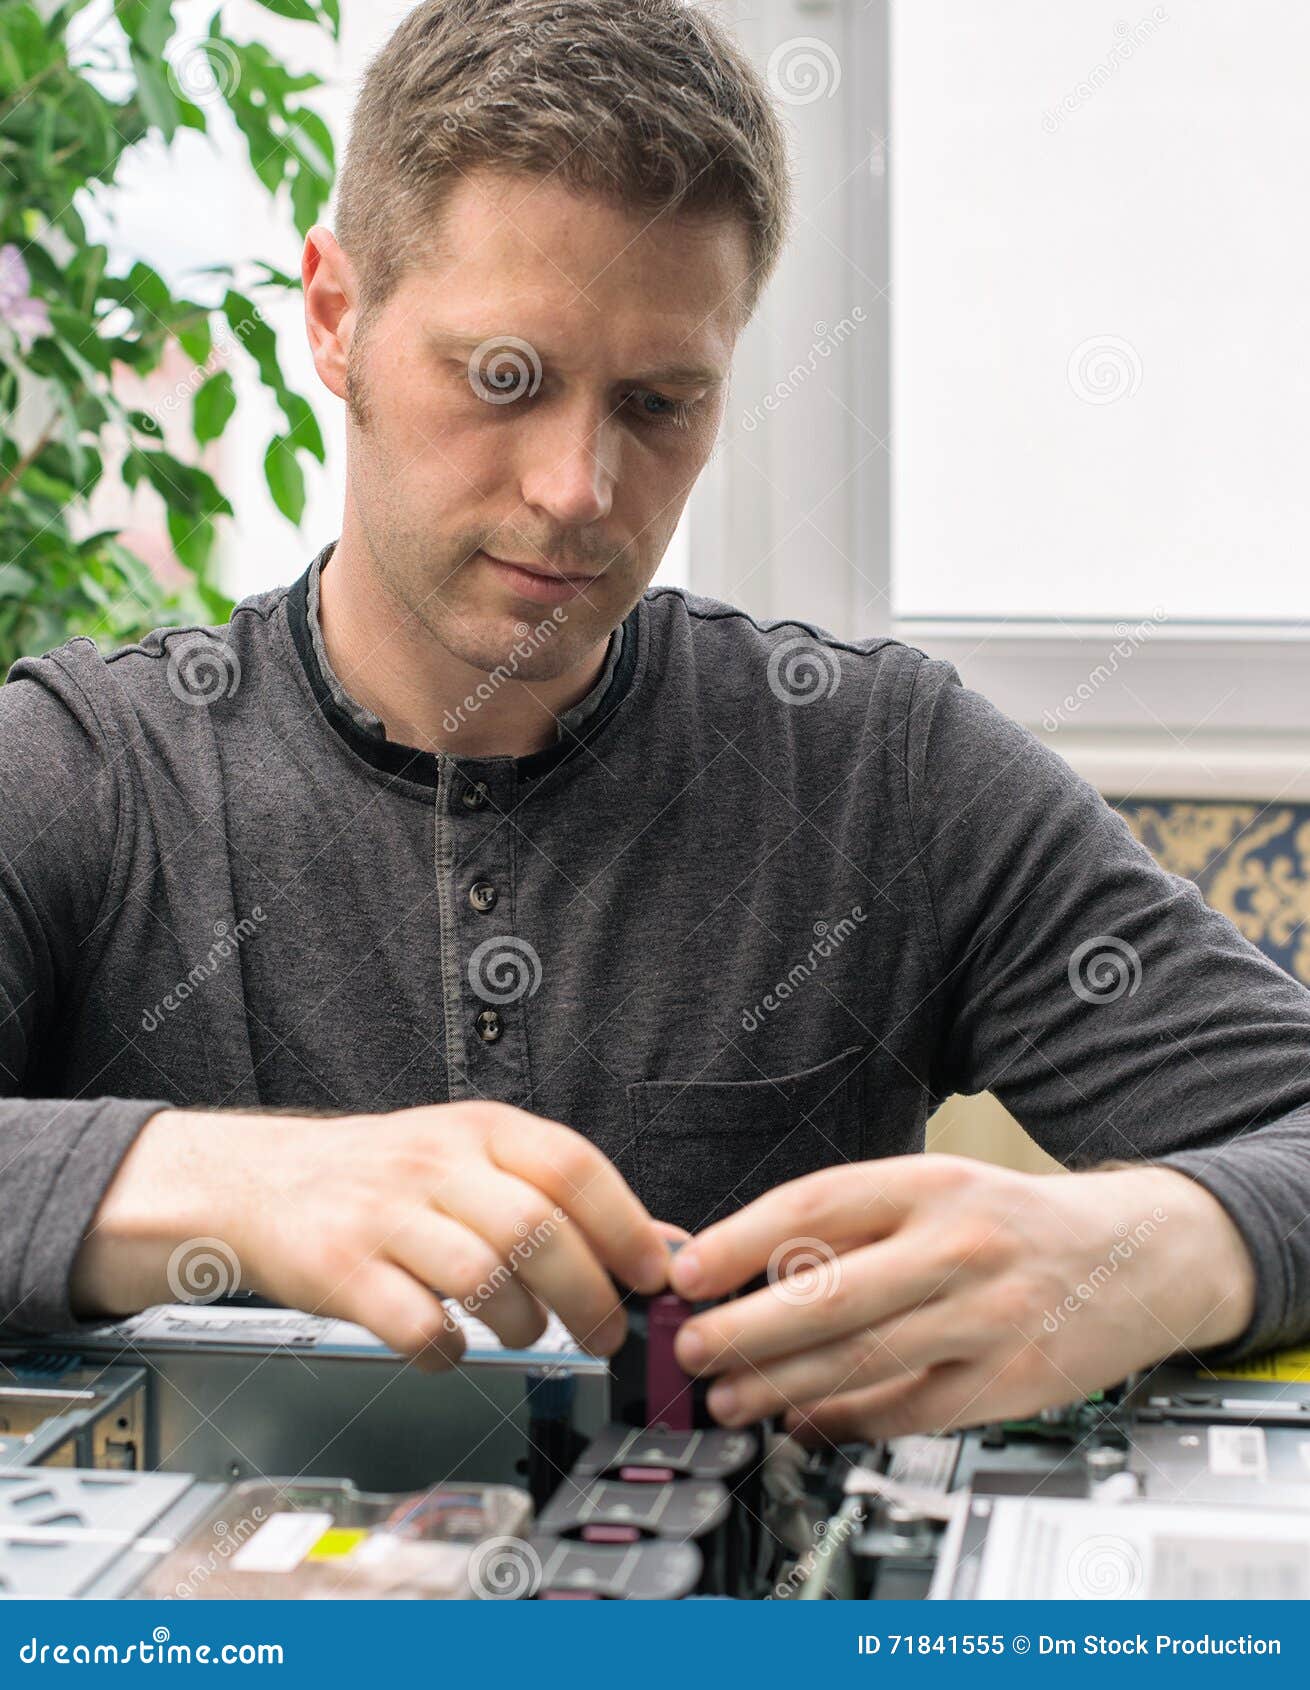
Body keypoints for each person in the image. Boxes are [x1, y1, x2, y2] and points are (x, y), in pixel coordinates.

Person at [3, 0, 1307, 1449]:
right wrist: (222, 1182)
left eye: (659, 402)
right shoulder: (83, 771)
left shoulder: (882, 772)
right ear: (334, 318)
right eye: (503, 378)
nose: (578, 487)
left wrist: (1152, 1247)